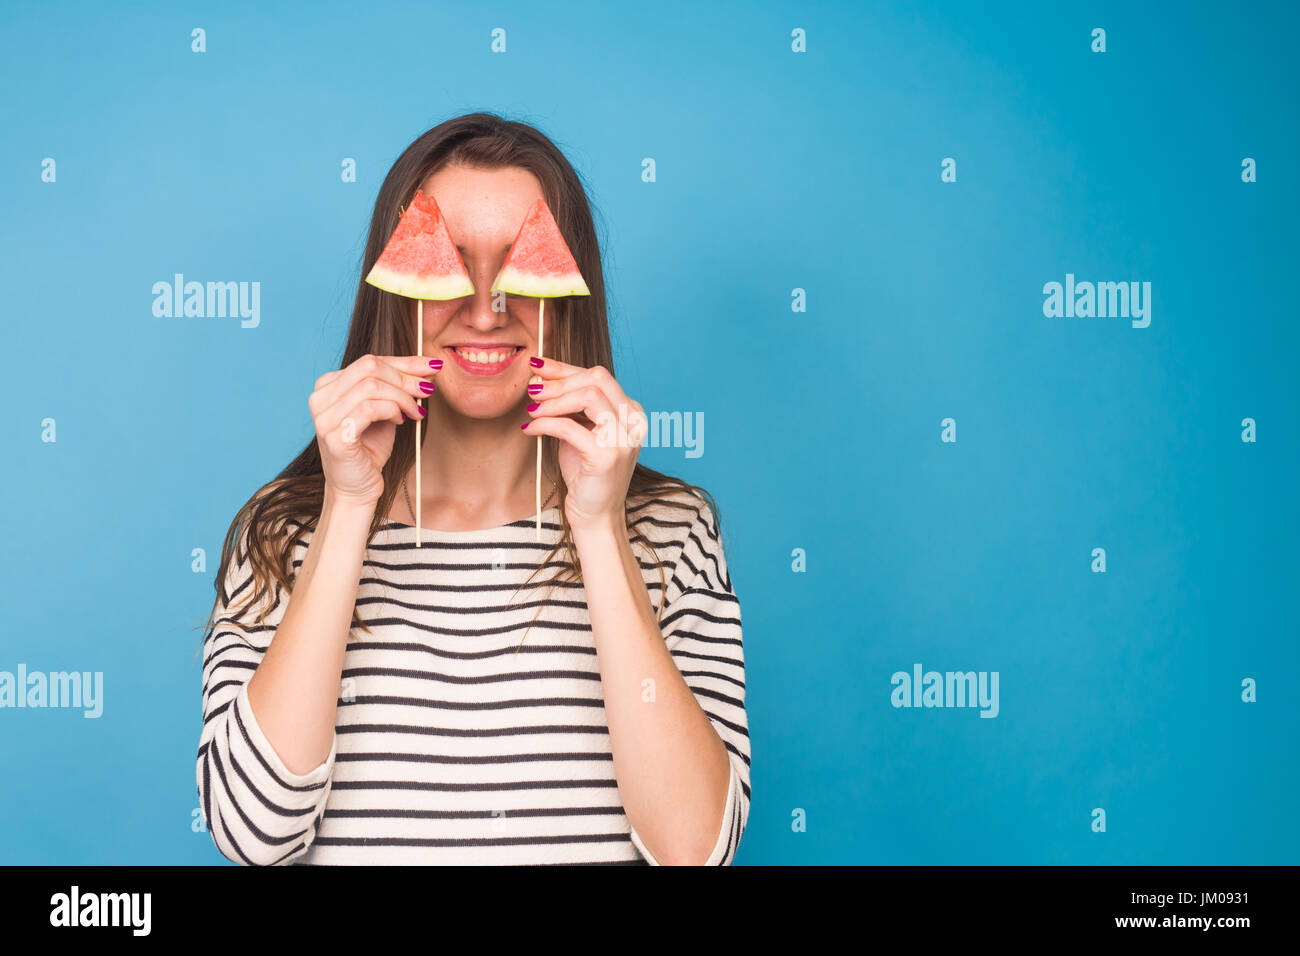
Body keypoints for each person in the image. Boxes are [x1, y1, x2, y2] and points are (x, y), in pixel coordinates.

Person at [195, 112, 750, 865]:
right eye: (448, 265)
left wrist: (598, 527)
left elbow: (694, 851)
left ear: (572, 294)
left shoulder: (670, 532)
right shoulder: (283, 533)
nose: (487, 309)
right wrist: (349, 507)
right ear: (393, 290)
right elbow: (254, 835)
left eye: (522, 264)